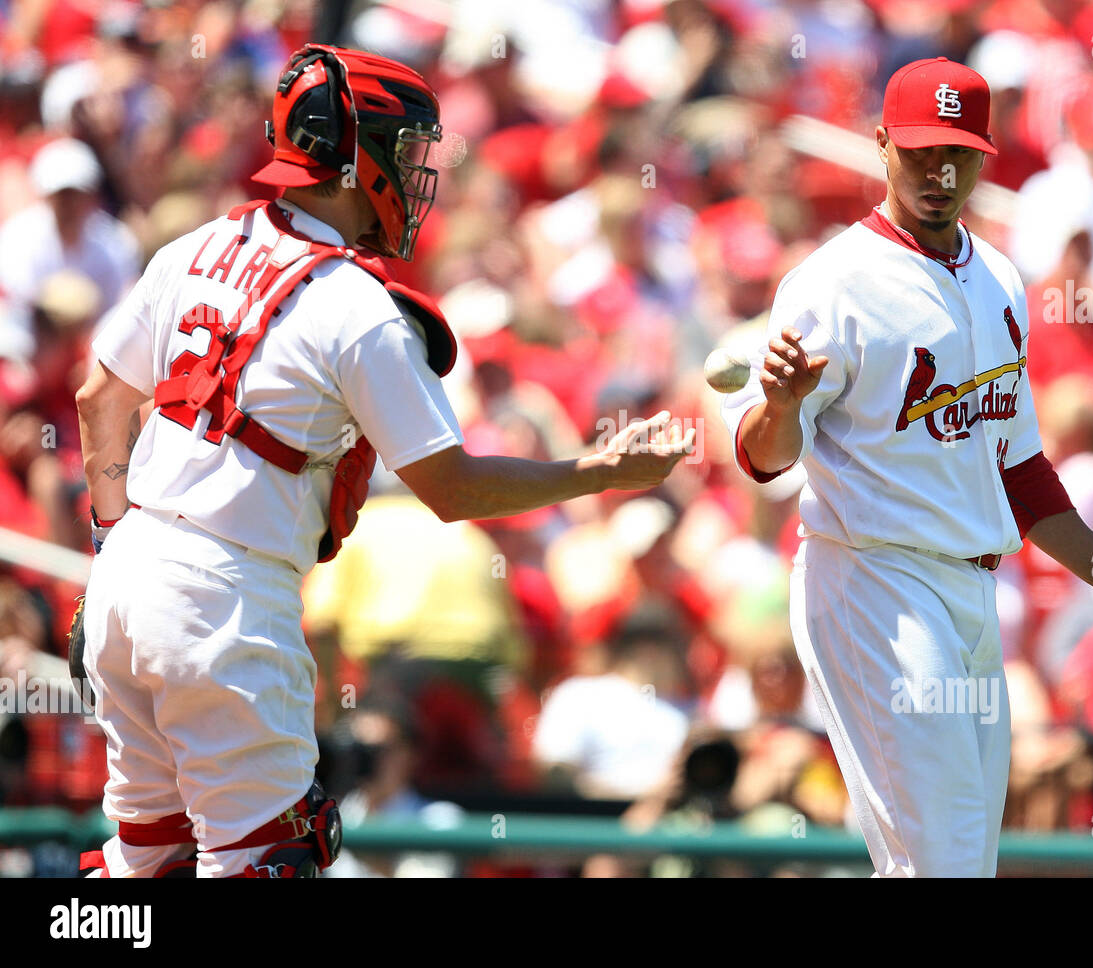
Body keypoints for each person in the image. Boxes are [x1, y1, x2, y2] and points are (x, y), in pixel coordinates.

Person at [74, 44, 693, 878]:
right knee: (268, 862)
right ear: (349, 151)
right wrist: (599, 474)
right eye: (401, 151)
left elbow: (100, 401)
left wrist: (111, 545)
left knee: (148, 861)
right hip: (224, 598)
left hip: (127, 575)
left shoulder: (193, 247)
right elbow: (454, 487)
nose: (413, 175)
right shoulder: (355, 304)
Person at [722, 57, 1093, 877]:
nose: (939, 172)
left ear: (987, 157)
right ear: (881, 145)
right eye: (918, 152)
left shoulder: (1001, 280)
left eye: (957, 154)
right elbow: (763, 459)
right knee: (940, 863)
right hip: (875, 581)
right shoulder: (833, 283)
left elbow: (1020, 470)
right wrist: (777, 407)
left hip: (975, 592)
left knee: (959, 862)